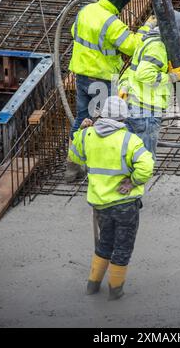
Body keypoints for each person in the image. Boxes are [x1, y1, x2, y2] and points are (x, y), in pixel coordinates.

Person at [65, 0, 152, 182]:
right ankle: (104, 163)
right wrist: (146, 29)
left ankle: (72, 165)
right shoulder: (112, 23)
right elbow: (132, 47)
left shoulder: (86, 10)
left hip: (81, 76)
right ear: (121, 3)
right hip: (102, 80)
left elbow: (73, 32)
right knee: (108, 122)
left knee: (81, 119)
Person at [68, 96, 154, 300]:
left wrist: (81, 130)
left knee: (105, 242)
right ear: (123, 118)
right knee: (123, 246)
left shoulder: (87, 135)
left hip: (100, 203)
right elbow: (147, 167)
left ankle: (93, 284)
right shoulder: (130, 140)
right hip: (125, 204)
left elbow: (75, 156)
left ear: (102, 114)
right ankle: (115, 289)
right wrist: (133, 181)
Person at [118, 11, 180, 159]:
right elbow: (143, 74)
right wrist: (172, 77)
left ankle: (125, 181)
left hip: (133, 106)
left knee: (128, 156)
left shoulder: (149, 40)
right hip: (146, 111)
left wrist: (123, 86)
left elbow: (132, 69)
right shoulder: (158, 47)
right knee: (143, 160)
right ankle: (135, 182)